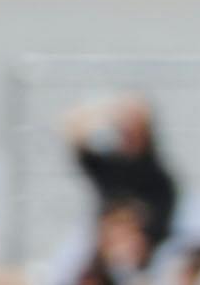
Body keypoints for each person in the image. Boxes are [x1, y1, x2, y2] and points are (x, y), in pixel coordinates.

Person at [63, 96, 180, 250]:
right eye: (123, 128)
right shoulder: (111, 165)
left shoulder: (158, 179)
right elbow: (72, 130)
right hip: (105, 253)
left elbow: (158, 230)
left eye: (132, 129)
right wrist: (102, 113)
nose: (127, 134)